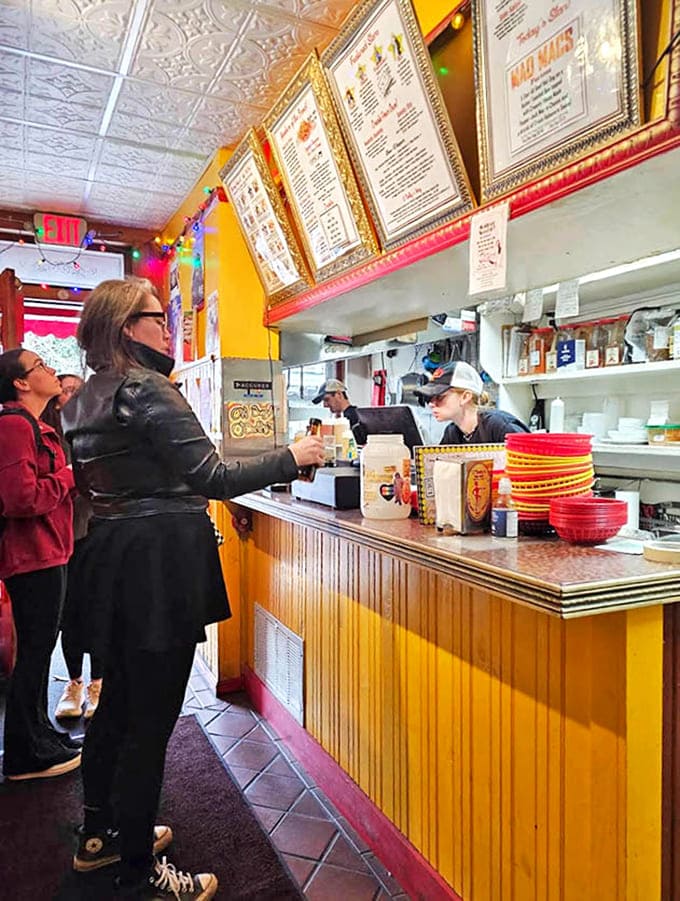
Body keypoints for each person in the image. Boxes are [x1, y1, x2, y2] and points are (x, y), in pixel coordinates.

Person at [62, 277, 324, 899]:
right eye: (158, 317)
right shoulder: (147, 387)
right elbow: (211, 474)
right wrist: (294, 454)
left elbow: (102, 487)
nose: (167, 328)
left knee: (117, 704)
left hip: (109, 558)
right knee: (151, 719)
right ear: (129, 326)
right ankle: (140, 873)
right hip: (160, 563)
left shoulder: (80, 399)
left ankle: (100, 836)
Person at [0, 348, 81, 781]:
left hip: (48, 551)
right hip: (32, 556)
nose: (51, 370)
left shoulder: (36, 425)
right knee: (34, 654)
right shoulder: (14, 425)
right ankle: (21, 755)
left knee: (39, 650)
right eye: (40, 366)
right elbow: (21, 498)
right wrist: (70, 476)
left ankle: (39, 736)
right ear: (21, 382)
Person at [45, 374, 104, 721]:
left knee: (100, 611)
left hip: (98, 533)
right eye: (66, 390)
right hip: (63, 538)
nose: (72, 395)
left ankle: (98, 683)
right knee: (71, 615)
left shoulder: (100, 434)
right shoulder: (50, 438)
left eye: (79, 390)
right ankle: (74, 683)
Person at [415, 360, 529, 443]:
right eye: (430, 398)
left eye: (440, 397)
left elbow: (537, 466)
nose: (431, 404)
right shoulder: (452, 433)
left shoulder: (500, 427)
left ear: (465, 397)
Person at [312, 378, 367, 444]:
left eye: (327, 399)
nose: (325, 405)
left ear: (339, 394)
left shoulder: (355, 418)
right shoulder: (338, 418)